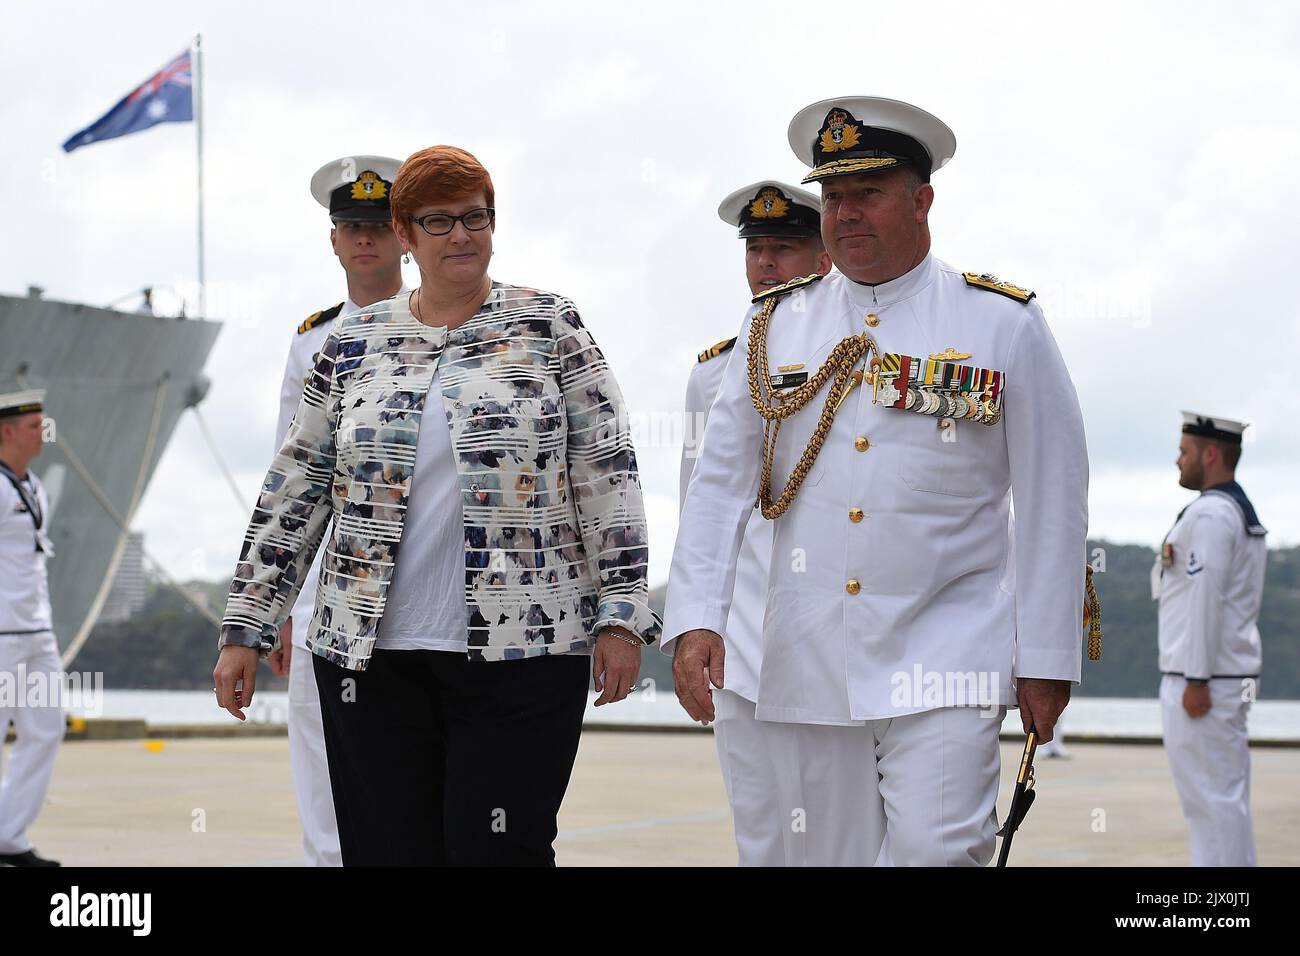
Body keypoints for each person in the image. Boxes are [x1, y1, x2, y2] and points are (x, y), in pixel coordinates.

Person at [663, 96, 1089, 866]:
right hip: (808, 653)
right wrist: (696, 617)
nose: (845, 214)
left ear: (922, 200)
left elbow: (1054, 499)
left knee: (939, 852)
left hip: (949, 646)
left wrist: (1048, 658)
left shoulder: (1002, 324)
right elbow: (718, 488)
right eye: (833, 197)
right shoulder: (774, 326)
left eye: (868, 194)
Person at [214, 145, 660, 866]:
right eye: (440, 221)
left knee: (500, 851)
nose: (462, 235)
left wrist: (623, 614)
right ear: (406, 233)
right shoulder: (352, 343)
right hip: (369, 658)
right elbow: (296, 487)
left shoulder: (550, 326)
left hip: (525, 649)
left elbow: (608, 473)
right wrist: (248, 626)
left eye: (475, 218)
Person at [671, 181, 829, 866]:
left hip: (827, 630)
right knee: (760, 832)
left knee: (836, 832)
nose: (766, 263)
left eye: (785, 248)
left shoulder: (851, 350)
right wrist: (695, 622)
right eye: (756, 249)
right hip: (740, 639)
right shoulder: (714, 373)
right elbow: (699, 508)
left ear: (824, 256)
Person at [265, 155, 409, 867]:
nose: (365, 240)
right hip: (325, 579)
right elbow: (288, 482)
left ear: (405, 235)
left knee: (406, 751)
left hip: (416, 574)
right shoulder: (310, 340)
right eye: (352, 227)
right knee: (318, 743)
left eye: (379, 226)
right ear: (333, 239)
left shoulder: (444, 325)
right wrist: (276, 605)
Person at [1154, 411, 1265, 866]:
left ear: (1211, 453)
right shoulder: (1227, 509)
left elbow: (1206, 597)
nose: (1178, 461)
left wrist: (1196, 679)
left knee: (1212, 805)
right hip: (1216, 675)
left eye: (1185, 452)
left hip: (1202, 680)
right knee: (1219, 802)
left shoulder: (1212, 514)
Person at [0, 390, 62, 867]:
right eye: (33, 425)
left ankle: (8, 835)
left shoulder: (34, 485)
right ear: (6, 431)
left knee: (45, 729)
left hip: (36, 632)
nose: (43, 432)